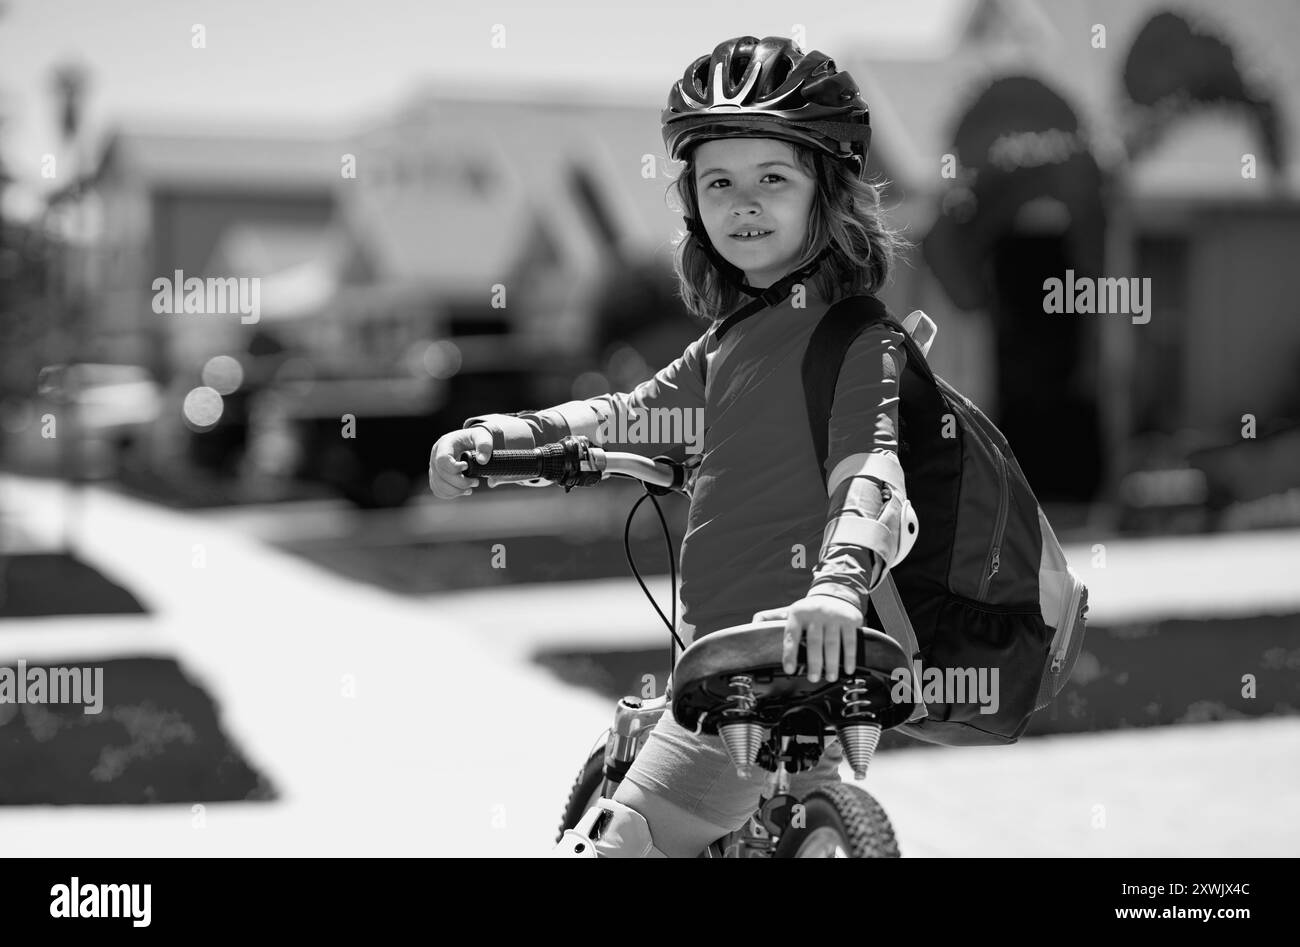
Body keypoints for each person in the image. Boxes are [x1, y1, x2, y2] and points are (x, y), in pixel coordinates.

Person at [428, 35, 912, 857]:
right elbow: (627, 416)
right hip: (777, 669)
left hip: (768, 661)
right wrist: (505, 437)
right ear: (691, 200)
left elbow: (871, 467)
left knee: (607, 848)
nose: (743, 203)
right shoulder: (729, 349)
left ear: (827, 195)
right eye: (718, 181)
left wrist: (834, 586)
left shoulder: (856, 342)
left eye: (773, 179)